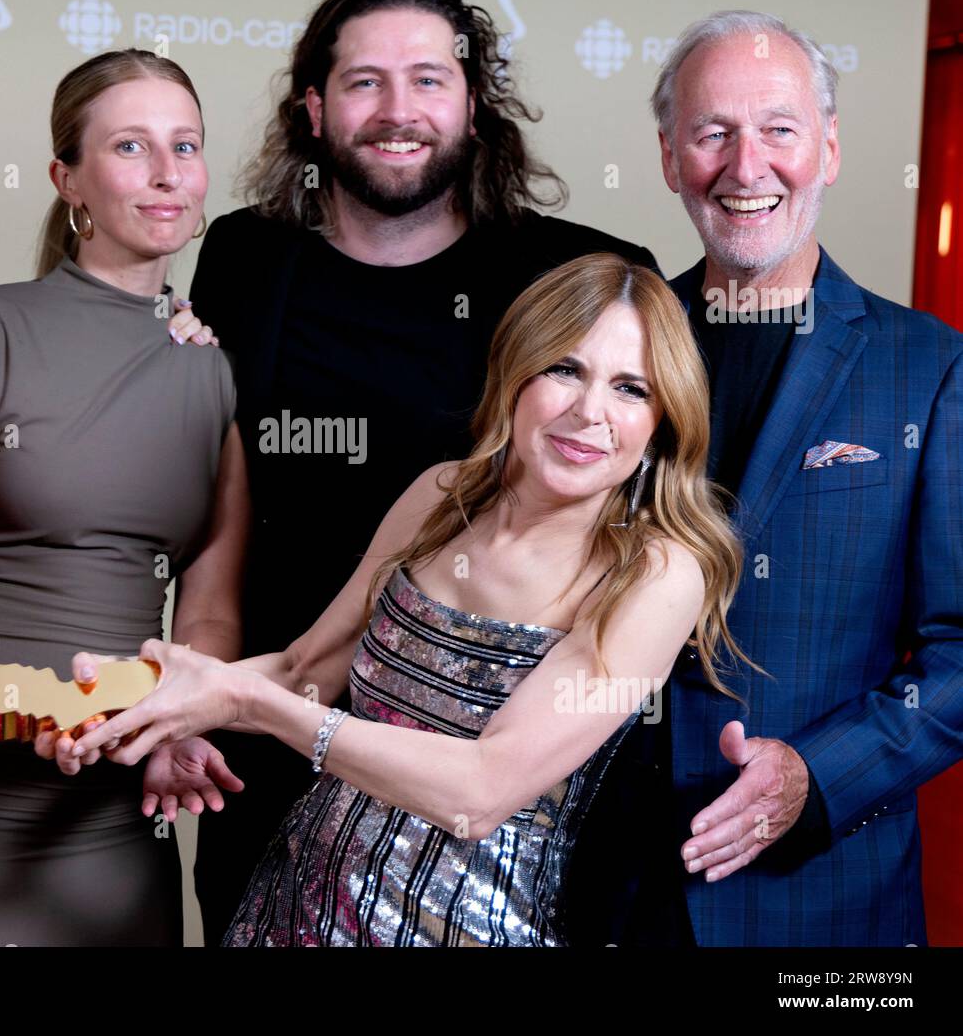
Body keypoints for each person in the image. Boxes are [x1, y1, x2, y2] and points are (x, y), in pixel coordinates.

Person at [51, 253, 753, 946]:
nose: (589, 411)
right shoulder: (441, 497)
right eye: (564, 369)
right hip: (294, 907)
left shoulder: (657, 571)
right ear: (516, 372)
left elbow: (478, 794)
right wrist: (143, 697)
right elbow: (304, 670)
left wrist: (243, 702)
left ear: (663, 419)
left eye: (631, 388)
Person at [188, 0, 661, 943]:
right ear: (313, 109)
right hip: (270, 735)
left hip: (488, 823)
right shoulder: (245, 257)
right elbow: (214, 506)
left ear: (473, 106)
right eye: (364, 82)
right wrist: (200, 690)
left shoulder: (573, 278)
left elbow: (632, 559)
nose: (397, 110)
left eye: (429, 79)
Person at [571, 10, 963, 948]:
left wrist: (815, 775)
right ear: (669, 158)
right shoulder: (604, 349)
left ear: (827, 149)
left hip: (817, 902)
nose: (747, 168)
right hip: (594, 886)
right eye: (713, 133)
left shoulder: (930, 367)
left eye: (779, 130)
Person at [0, 50, 248, 946]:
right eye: (130, 146)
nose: (166, 174)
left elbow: (212, 608)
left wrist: (170, 724)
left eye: (184, 146)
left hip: (118, 821)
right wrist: (12, 696)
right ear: (66, 177)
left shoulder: (213, 368)